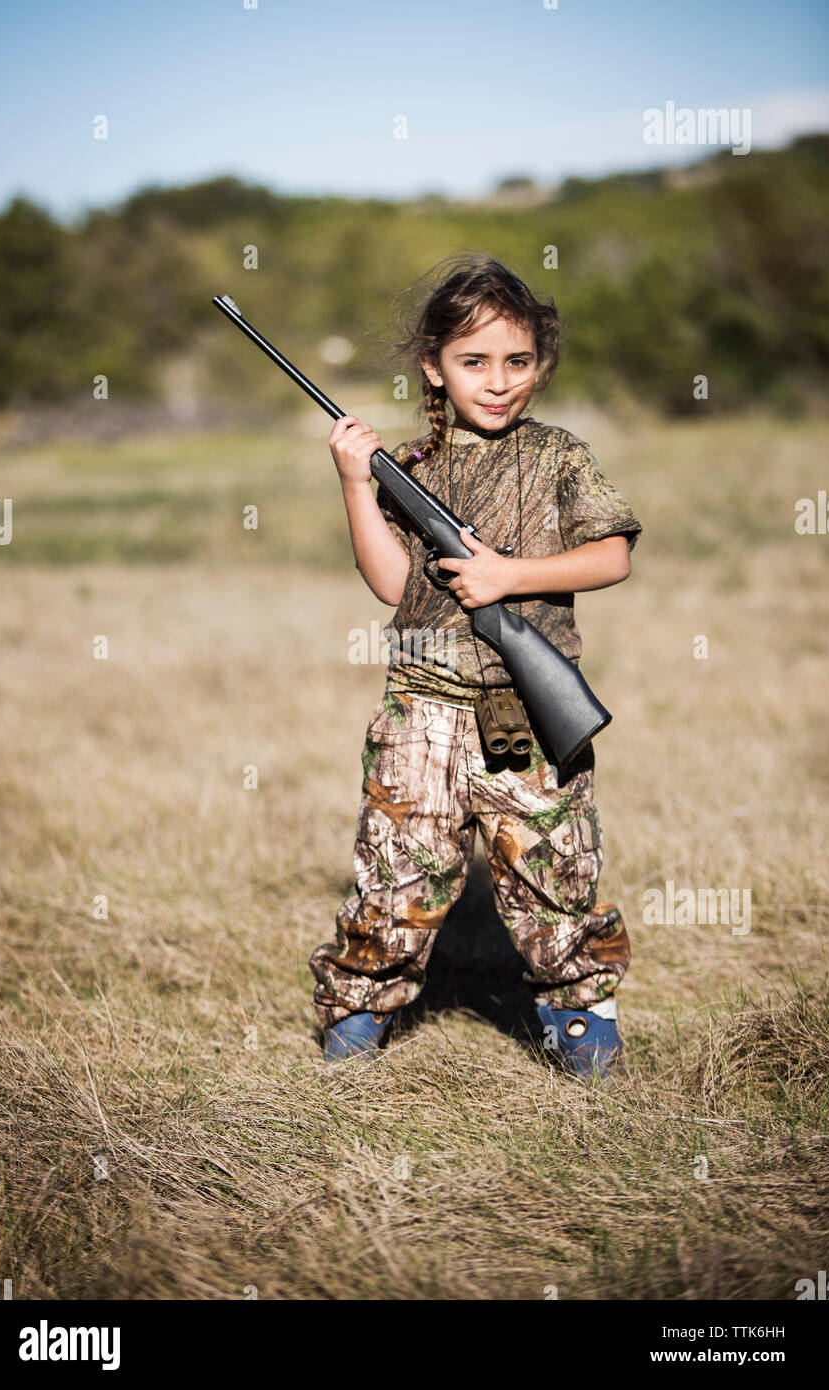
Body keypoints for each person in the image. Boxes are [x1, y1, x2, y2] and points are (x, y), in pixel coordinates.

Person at [310, 253, 642, 1078]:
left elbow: (611, 557)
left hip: (528, 715)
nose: (498, 382)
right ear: (433, 365)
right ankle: (359, 1015)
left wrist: (509, 576)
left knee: (552, 873)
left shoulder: (560, 455)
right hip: (418, 708)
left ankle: (579, 1023)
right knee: (396, 869)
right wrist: (357, 482)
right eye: (473, 362)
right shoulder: (410, 471)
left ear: (541, 363)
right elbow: (392, 583)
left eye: (517, 361)